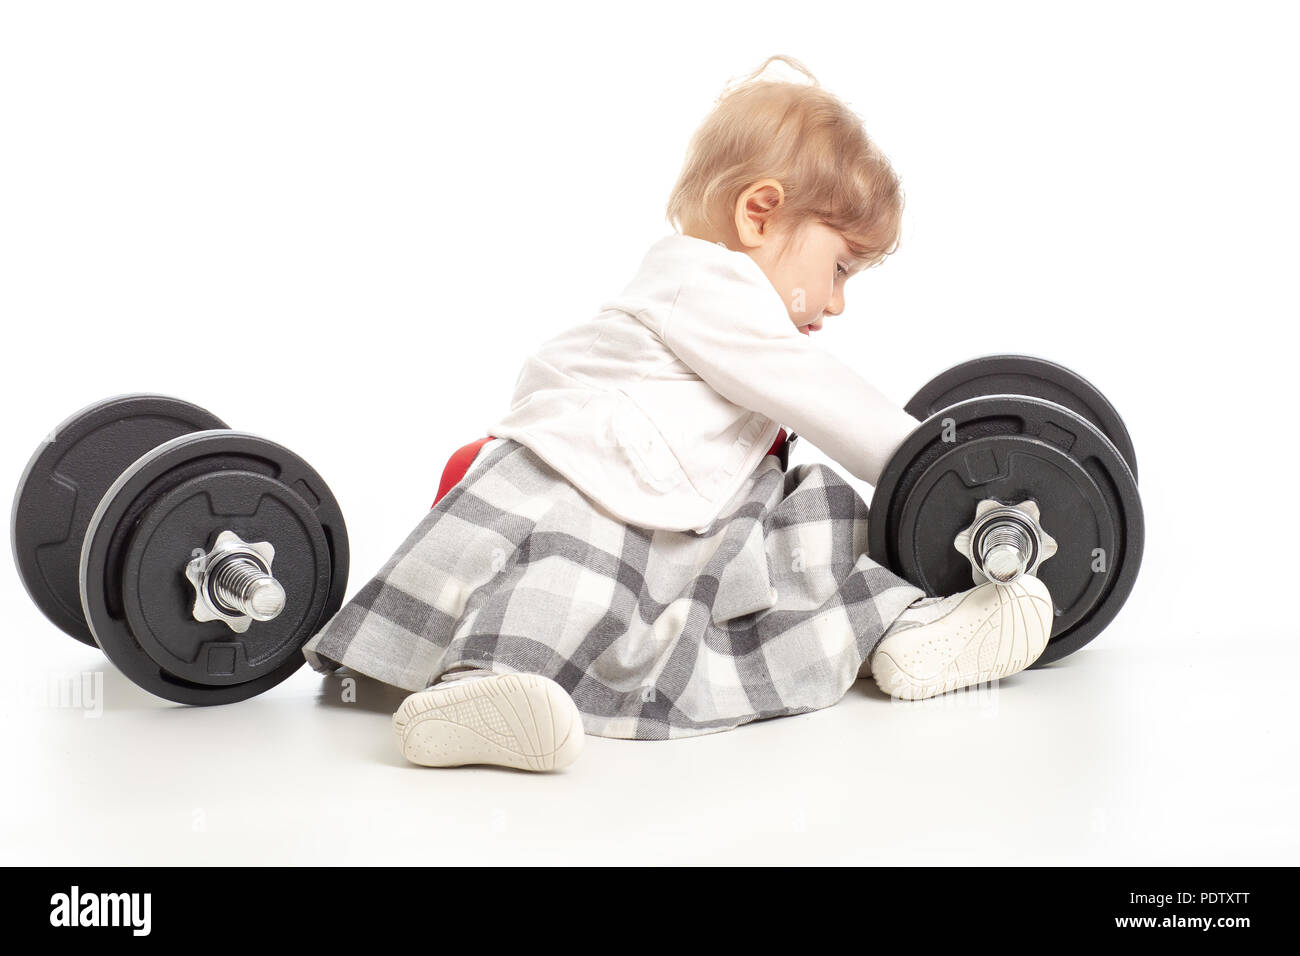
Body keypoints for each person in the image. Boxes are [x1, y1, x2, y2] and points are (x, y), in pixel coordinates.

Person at [302, 54, 1053, 772]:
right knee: (571, 570)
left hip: (688, 509)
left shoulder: (729, 307)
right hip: (594, 476)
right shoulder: (706, 286)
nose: (836, 301)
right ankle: (477, 687)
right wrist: (934, 465)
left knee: (816, 520)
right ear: (760, 215)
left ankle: (902, 628)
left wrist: (930, 474)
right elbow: (817, 392)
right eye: (839, 268)